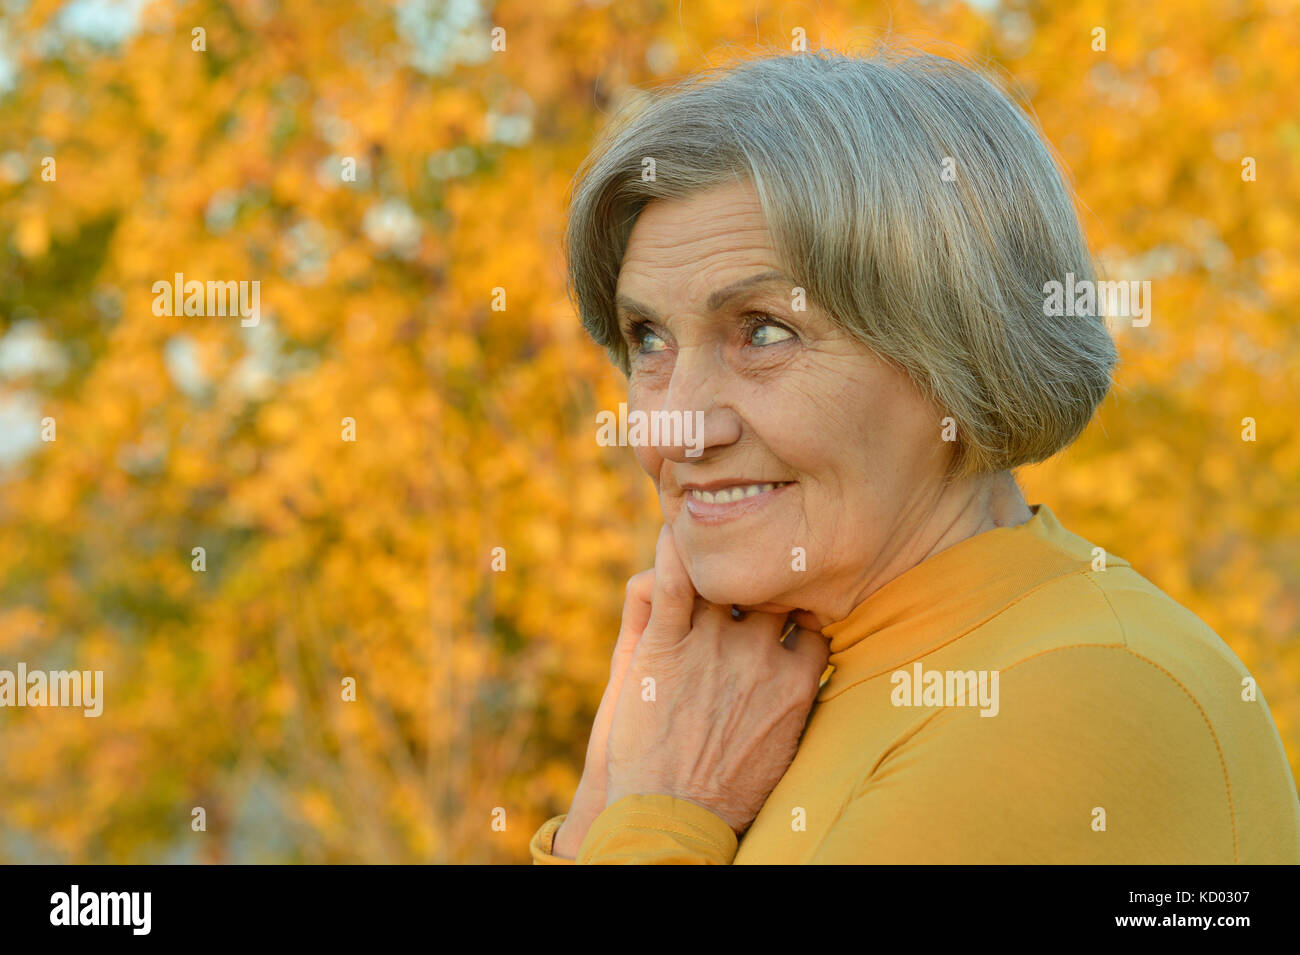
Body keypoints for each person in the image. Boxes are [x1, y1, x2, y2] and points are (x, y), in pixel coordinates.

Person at [529, 47, 1300, 863]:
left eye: (764, 331)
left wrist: (661, 820)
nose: (669, 429)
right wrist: (599, 816)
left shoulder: (1079, 691)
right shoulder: (743, 702)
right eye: (648, 339)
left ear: (959, 355)